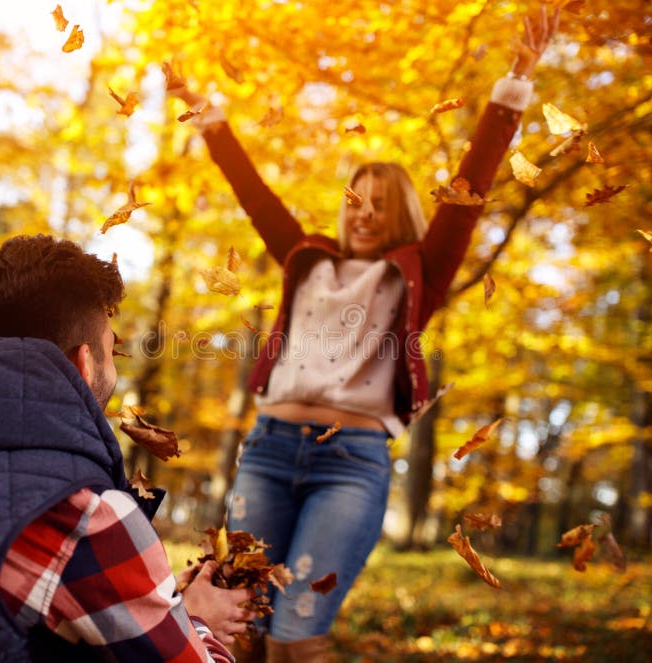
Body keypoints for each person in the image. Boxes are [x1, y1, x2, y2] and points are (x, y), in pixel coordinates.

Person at [168, 6, 561, 661]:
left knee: (297, 630)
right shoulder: (305, 258)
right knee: (236, 624)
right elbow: (253, 193)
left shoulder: (418, 273)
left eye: (380, 203)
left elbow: (472, 183)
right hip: (267, 452)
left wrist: (516, 80)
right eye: (355, 199)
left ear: (400, 213)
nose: (364, 212)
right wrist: (203, 112)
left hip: (350, 463)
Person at [0, 235, 252, 662]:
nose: (114, 368)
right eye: (111, 351)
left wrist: (154, 596)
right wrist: (198, 620)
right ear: (84, 363)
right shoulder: (82, 512)